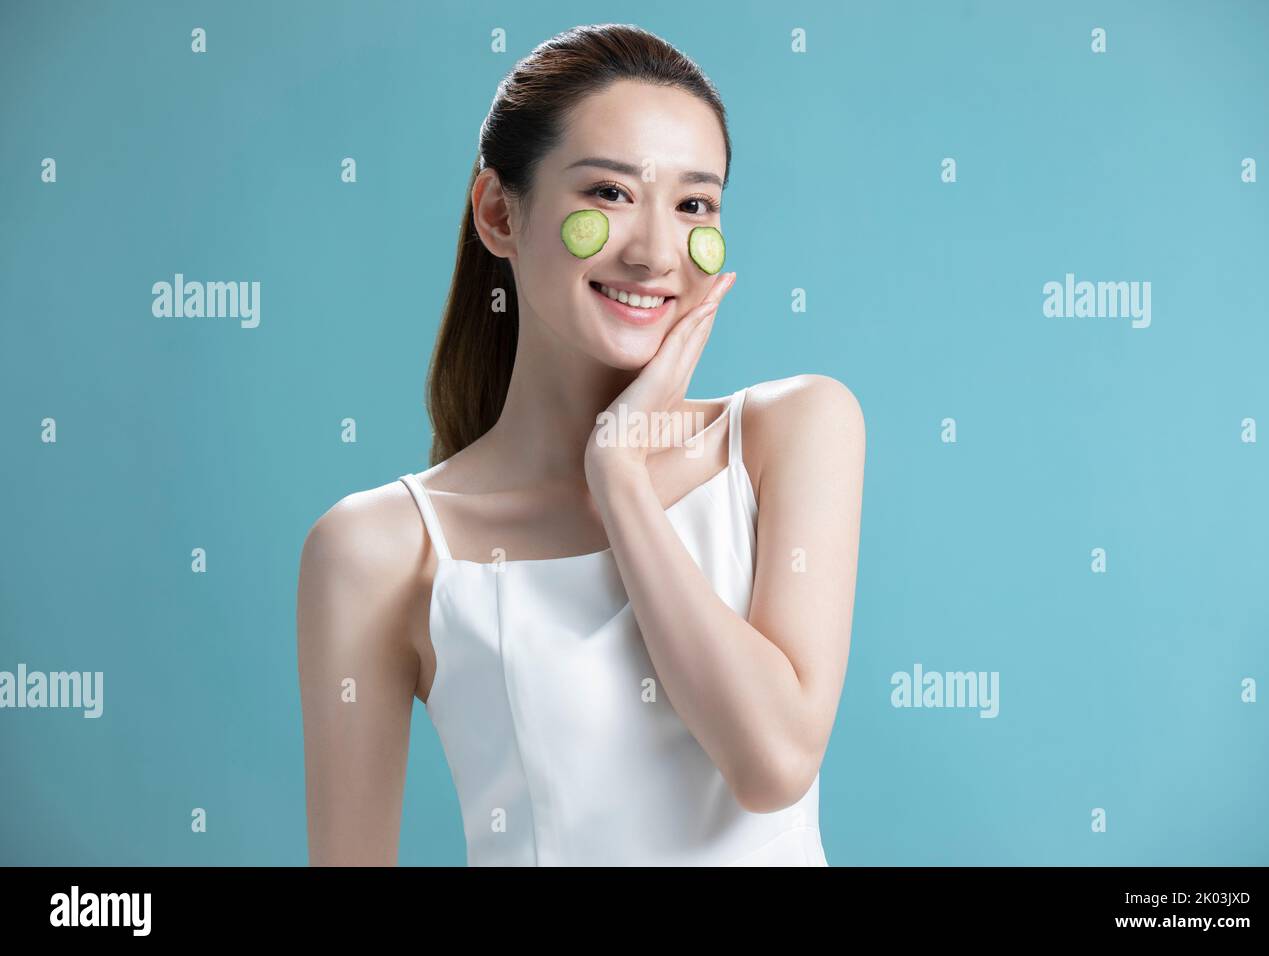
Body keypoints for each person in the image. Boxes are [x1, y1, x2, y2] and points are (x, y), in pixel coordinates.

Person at [297, 23, 865, 866]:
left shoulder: (794, 431)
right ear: (498, 213)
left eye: (693, 204)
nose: (654, 251)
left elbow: (772, 763)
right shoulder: (378, 547)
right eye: (608, 192)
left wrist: (620, 477)